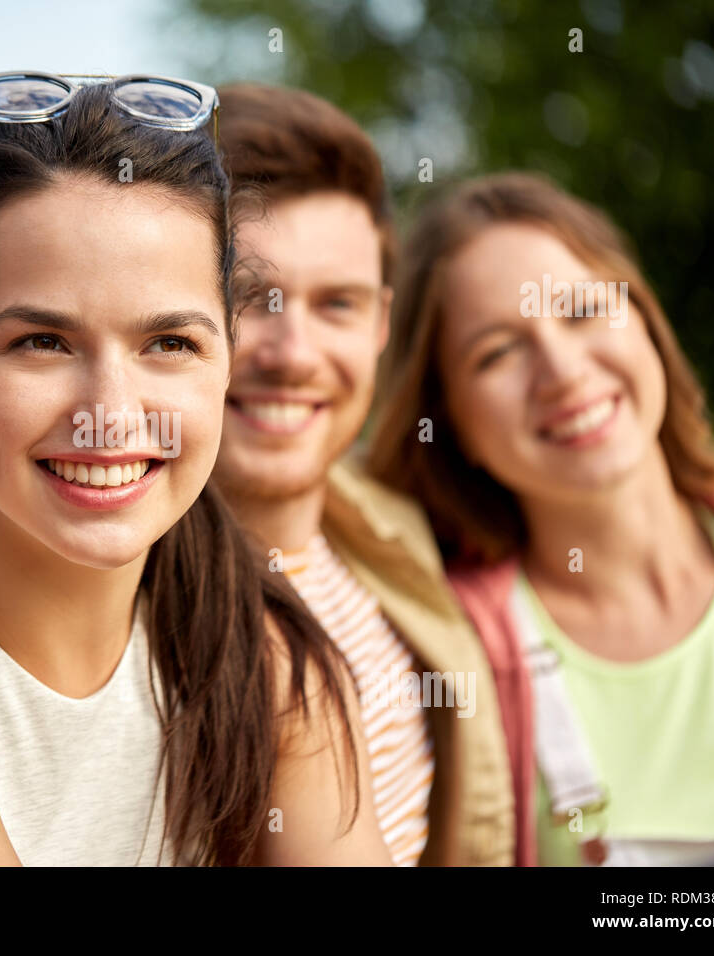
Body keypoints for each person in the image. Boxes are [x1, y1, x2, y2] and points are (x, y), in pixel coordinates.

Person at [0, 75, 390, 866]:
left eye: (169, 344)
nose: (110, 411)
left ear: (227, 362)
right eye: (44, 342)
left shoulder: (265, 652)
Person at [369, 171, 714, 866]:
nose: (560, 371)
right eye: (497, 352)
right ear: (450, 421)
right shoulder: (441, 652)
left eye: (584, 311)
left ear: (645, 319)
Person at [211, 84, 515, 866]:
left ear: (381, 322)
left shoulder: (394, 534)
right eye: (249, 299)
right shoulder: (105, 603)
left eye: (336, 305)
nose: (294, 354)